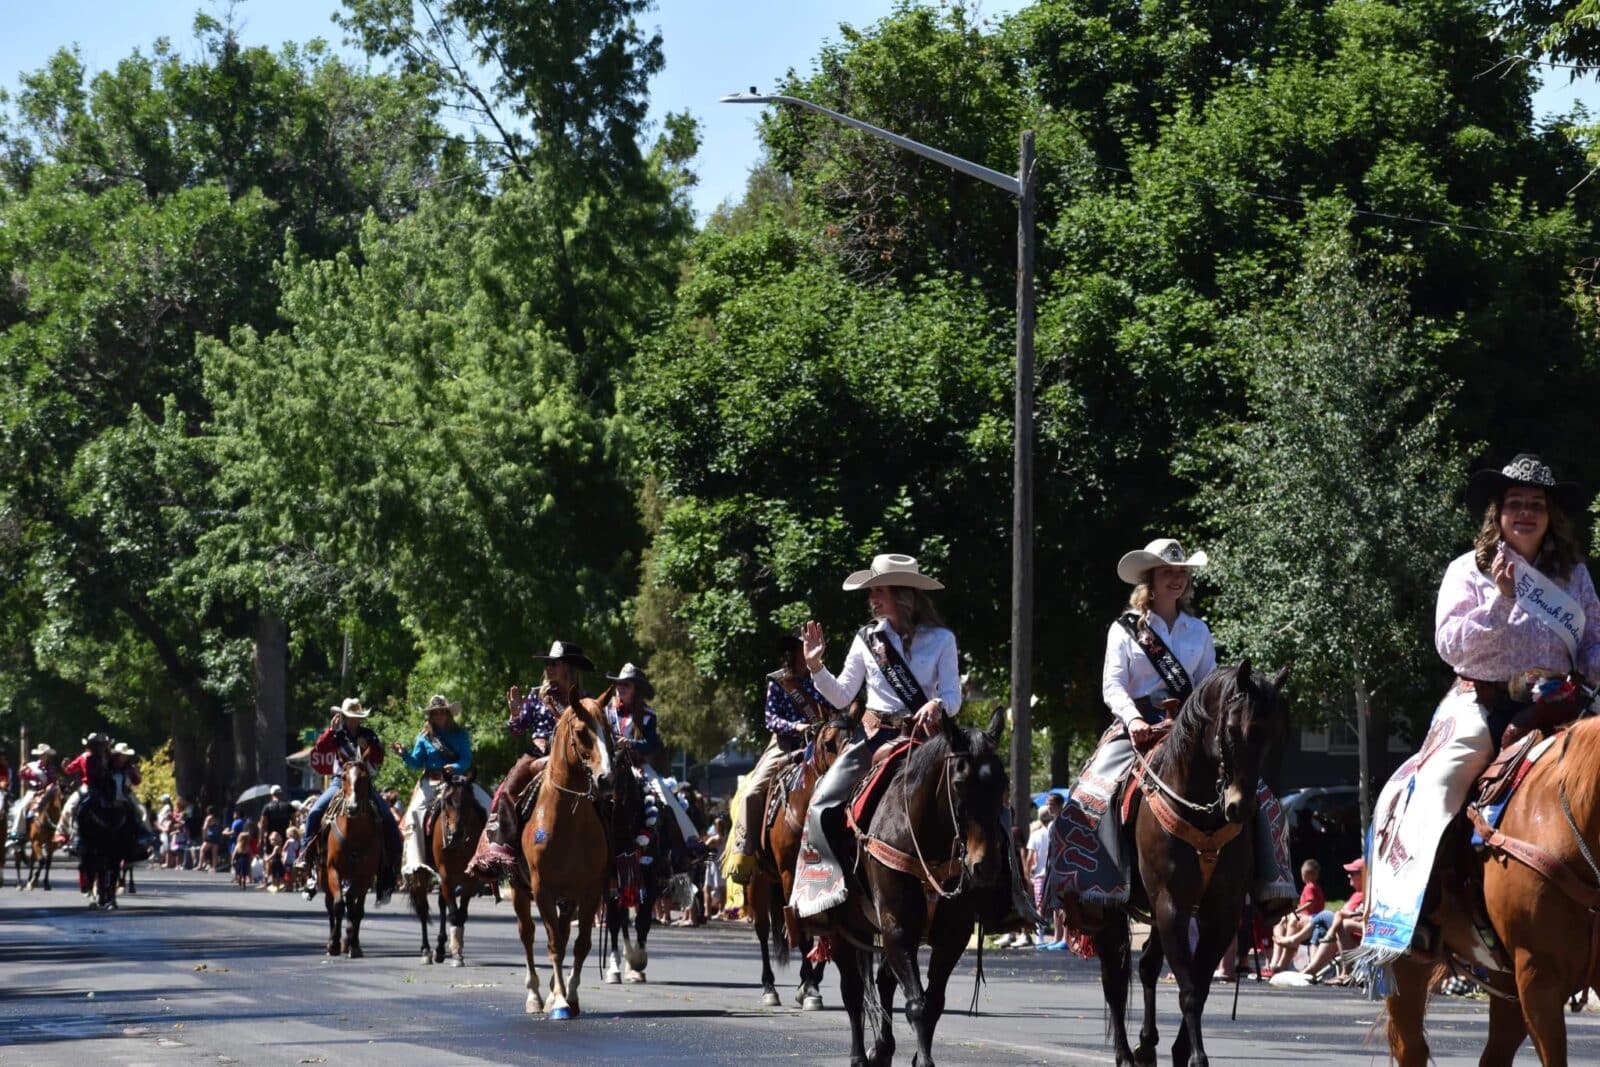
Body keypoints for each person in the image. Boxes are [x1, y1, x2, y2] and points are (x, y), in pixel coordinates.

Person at [1362, 454, 1600, 973]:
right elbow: (1451, 645)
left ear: (1550, 515)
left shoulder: (1574, 576)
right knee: (1438, 785)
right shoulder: (1466, 570)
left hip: (1560, 705)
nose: (1526, 513)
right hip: (1482, 701)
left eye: (1536, 505)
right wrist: (1501, 600)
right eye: (1515, 504)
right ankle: (1416, 913)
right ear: (1499, 514)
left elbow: (1592, 643)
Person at [1044, 538, 1296, 934]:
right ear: (1151, 580)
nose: (1177, 579)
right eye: (1168, 573)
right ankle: (1097, 885)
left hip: (1190, 728)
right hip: (1138, 723)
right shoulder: (1125, 629)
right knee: (1093, 793)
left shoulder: (1198, 630)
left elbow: (1209, 684)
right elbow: (1113, 685)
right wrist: (1131, 720)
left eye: (1182, 573)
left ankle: (1271, 884)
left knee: (1260, 795)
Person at [793, 553, 1034, 923]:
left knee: (992, 800)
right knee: (821, 803)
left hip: (929, 741)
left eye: (880, 590)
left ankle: (1010, 899)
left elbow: (954, 698)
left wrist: (938, 703)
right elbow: (842, 696)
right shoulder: (866, 639)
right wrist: (815, 666)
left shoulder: (942, 639)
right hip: (875, 738)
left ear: (903, 594)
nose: (872, 598)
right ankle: (828, 895)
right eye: (871, 591)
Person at [467, 640, 593, 881]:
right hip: (537, 754)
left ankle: (610, 854)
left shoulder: (584, 699)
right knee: (507, 787)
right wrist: (515, 713)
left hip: (570, 757)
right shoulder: (537, 694)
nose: (548, 668)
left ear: (568, 667)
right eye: (547, 664)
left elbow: (585, 730)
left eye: (554, 663)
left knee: (603, 794)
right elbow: (517, 729)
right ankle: (499, 848)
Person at [727, 633, 837, 885]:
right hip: (785, 744)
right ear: (793, 651)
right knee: (753, 791)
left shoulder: (821, 678)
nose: (808, 650)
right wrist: (796, 727)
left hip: (819, 743)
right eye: (803, 647)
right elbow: (770, 719)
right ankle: (745, 852)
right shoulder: (778, 681)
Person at [295, 698, 402, 903]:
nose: (353, 721)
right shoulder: (337, 734)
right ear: (344, 716)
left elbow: (379, 758)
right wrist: (329, 731)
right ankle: (305, 855)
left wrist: (369, 746)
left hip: (363, 783)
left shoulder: (369, 734)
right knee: (315, 811)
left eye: (356, 717)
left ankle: (389, 869)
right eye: (350, 717)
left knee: (387, 817)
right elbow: (320, 750)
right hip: (339, 781)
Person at [391, 694, 492, 887]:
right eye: (434, 713)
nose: (438, 716)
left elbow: (466, 759)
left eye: (441, 712)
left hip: (457, 780)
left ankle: (489, 859)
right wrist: (403, 754)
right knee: (413, 814)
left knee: (489, 805)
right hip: (431, 781)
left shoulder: (460, 734)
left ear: (447, 714)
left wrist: (455, 767)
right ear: (430, 716)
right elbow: (416, 763)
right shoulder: (424, 737)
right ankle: (415, 864)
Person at [605, 663, 701, 856]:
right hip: (609, 766)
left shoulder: (649, 715)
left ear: (636, 690)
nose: (621, 687)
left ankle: (689, 843)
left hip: (638, 767)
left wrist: (631, 743)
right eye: (619, 684)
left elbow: (651, 745)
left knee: (666, 800)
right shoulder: (605, 711)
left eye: (626, 684)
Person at [1307, 858, 1367, 984]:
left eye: (1352, 873)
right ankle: (1309, 970)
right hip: (1341, 927)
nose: (1348, 875)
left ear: (1364, 875)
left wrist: (1346, 915)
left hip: (1355, 929)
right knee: (1319, 928)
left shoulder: (1366, 894)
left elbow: (1363, 915)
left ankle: (1296, 941)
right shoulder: (1357, 894)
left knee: (1328, 916)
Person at [1264, 859, 1327, 976]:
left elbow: (1310, 903)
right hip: (1312, 916)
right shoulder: (1315, 887)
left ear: (1307, 875)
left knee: (1288, 920)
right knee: (1283, 921)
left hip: (1311, 916)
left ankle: (1278, 960)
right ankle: (1277, 960)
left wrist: (1297, 910)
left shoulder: (1309, 887)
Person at [7, 743, 59, 844]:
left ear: (47, 756)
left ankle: (60, 831)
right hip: (33, 792)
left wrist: (49, 787)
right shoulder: (32, 766)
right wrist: (22, 770)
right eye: (40, 754)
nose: (41, 756)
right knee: (22, 808)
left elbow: (53, 781)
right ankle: (17, 833)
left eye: (43, 754)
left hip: (47, 792)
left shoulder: (51, 768)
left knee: (58, 806)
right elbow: (23, 776)